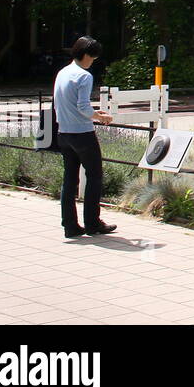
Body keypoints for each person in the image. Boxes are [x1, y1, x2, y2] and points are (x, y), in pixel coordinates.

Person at [53, 36, 116, 238]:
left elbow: (61, 103)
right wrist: (100, 116)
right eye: (93, 57)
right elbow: (83, 107)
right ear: (87, 55)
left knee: (69, 180)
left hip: (64, 132)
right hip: (82, 133)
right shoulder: (84, 76)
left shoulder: (62, 73)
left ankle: (70, 225)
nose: (93, 61)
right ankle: (92, 222)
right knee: (94, 176)